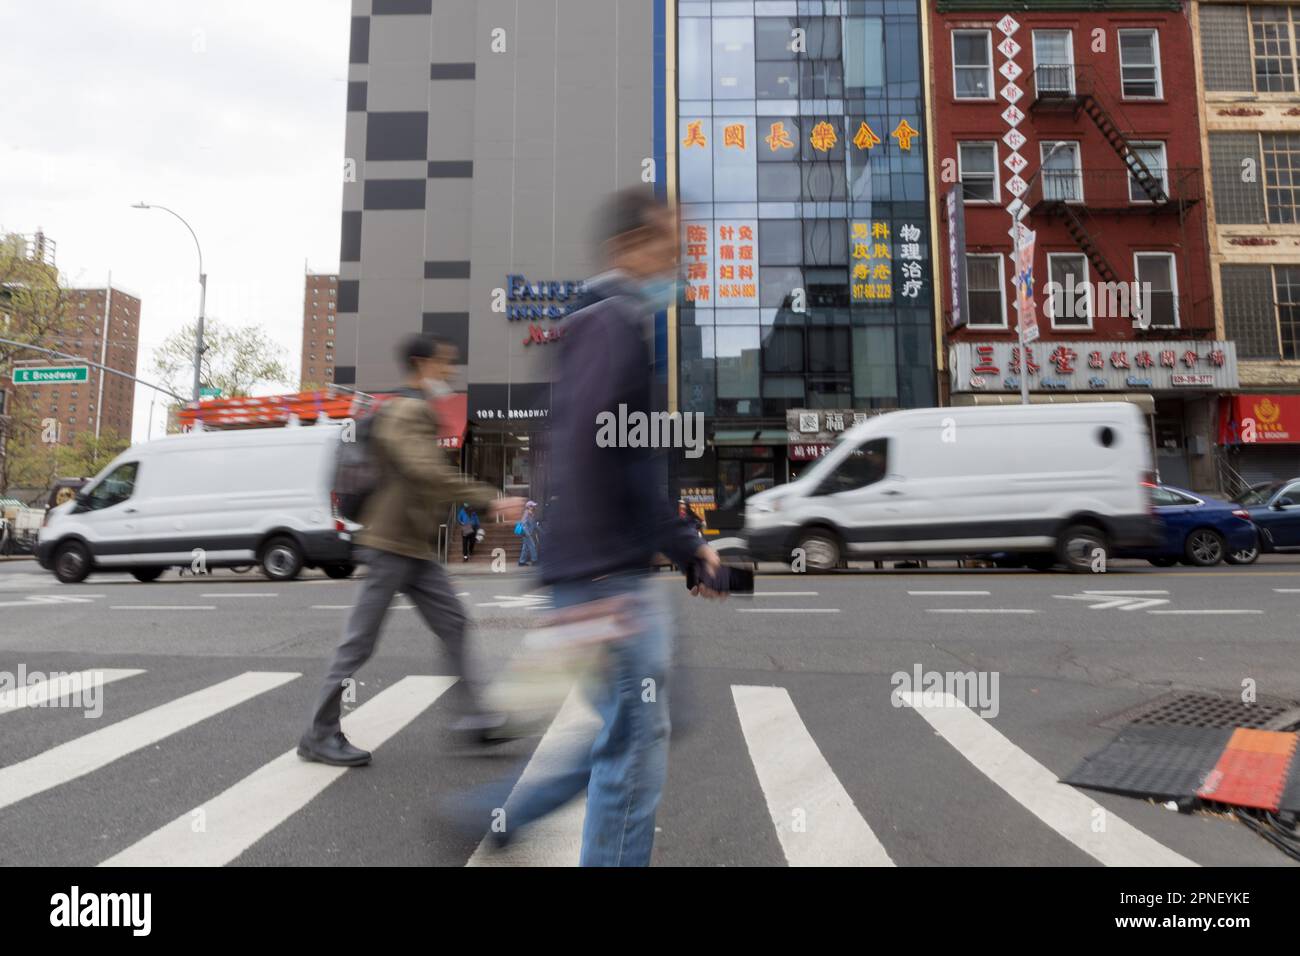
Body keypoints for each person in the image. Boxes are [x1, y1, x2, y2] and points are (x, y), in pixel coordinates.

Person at [463, 189, 724, 866]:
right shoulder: (612, 324)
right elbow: (602, 448)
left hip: (593, 571)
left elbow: (602, 448)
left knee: (636, 727)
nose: (680, 266)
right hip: (608, 577)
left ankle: (497, 812)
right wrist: (678, 548)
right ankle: (498, 813)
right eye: (671, 250)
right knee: (636, 742)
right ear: (629, 249)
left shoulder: (599, 323)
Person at [298, 334, 524, 766]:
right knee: (358, 643)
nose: (450, 372)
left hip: (414, 547)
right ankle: (318, 734)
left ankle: (476, 719)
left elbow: (422, 474)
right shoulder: (406, 410)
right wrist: (487, 497)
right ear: (421, 365)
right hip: (389, 544)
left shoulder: (414, 408)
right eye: (444, 364)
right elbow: (423, 470)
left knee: (454, 624)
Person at [517, 500, 540, 566]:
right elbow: (524, 524)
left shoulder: (531, 514)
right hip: (526, 534)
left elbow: (534, 524)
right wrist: (527, 534)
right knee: (532, 546)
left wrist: (541, 530)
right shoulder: (526, 513)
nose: (534, 507)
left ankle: (521, 562)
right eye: (533, 506)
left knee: (525, 548)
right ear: (529, 507)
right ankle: (534, 560)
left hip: (528, 533)